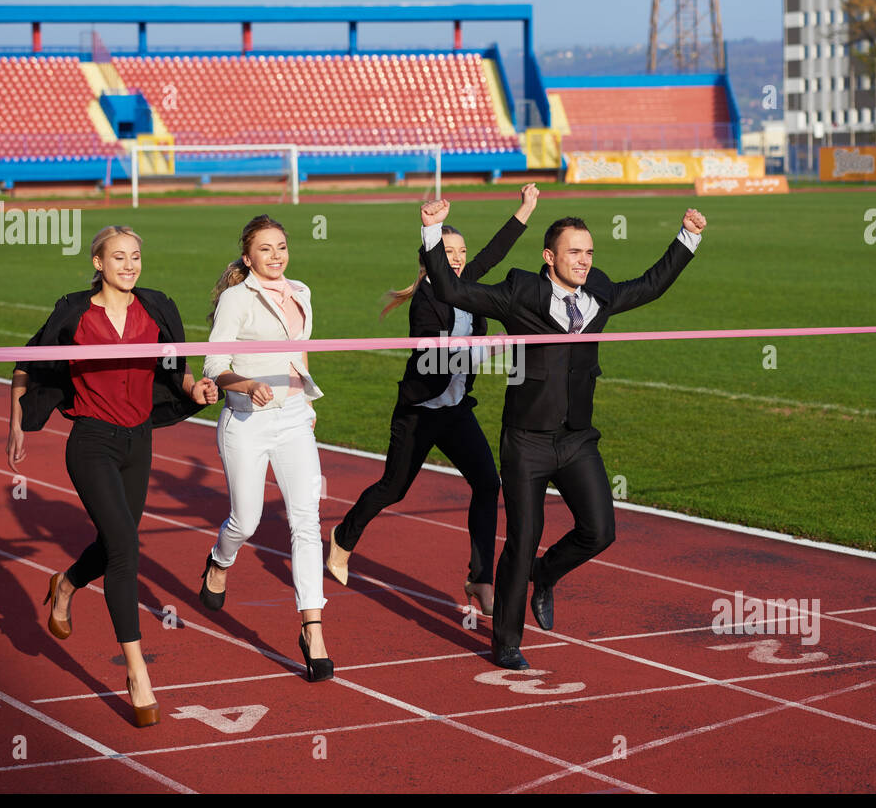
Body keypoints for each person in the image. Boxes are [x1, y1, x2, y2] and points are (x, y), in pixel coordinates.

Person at [422, 201, 708, 669]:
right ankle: (507, 641)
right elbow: (453, 289)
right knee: (522, 537)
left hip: (577, 438)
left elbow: (650, 286)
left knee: (600, 531)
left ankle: (545, 572)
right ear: (549, 257)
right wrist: (431, 232)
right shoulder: (520, 290)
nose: (584, 260)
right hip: (527, 440)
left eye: (589, 252)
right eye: (574, 252)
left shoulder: (598, 290)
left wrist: (687, 237)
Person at [7, 225, 219, 727]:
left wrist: (194, 390)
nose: (129, 264)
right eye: (118, 257)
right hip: (91, 443)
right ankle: (137, 672)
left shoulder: (156, 307)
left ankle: (65, 584)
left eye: (136, 256)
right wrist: (16, 422)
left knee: (114, 543)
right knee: (127, 548)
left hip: (138, 441)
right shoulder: (75, 312)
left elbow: (175, 367)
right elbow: (26, 363)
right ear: (98, 263)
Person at [326, 184, 539, 615]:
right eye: (449, 250)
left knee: (487, 484)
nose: (458, 258)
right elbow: (431, 353)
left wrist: (526, 208)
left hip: (456, 412)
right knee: (394, 488)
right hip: (420, 413)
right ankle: (343, 539)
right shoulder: (426, 297)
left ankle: (479, 579)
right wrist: (490, 348)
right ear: (432, 257)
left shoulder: (469, 287)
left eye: (461, 251)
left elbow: (495, 253)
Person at [199, 215, 332, 681]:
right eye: (266, 249)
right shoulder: (236, 299)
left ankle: (312, 631)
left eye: (281, 247)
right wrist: (247, 381)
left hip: (295, 418)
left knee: (306, 522)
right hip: (247, 421)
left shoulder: (301, 290)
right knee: (246, 520)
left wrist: (306, 400)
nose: (276, 256)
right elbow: (215, 364)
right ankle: (220, 559)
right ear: (248, 256)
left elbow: (300, 349)